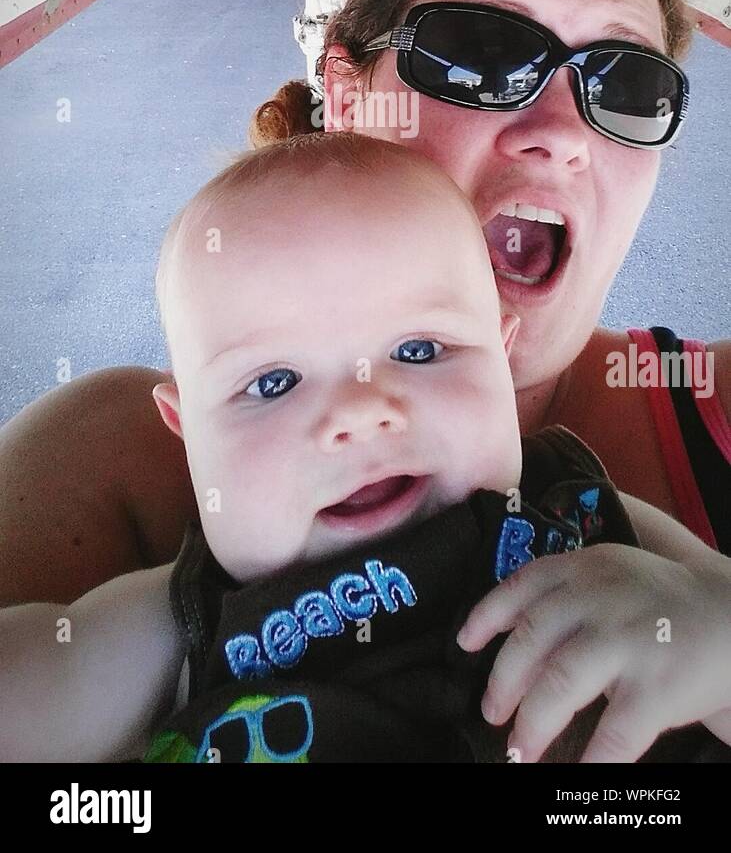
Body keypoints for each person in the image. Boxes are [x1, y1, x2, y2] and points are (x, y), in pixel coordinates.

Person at [0, 0, 729, 611]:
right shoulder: (99, 465)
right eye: (477, 56)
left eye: (627, 85)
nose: (560, 134)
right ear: (348, 94)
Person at [2, 134, 729, 764]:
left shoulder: (581, 514)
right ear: (187, 431)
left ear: (500, 361)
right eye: (274, 381)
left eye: (418, 349)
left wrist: (706, 630)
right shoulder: (182, 623)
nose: (359, 414)